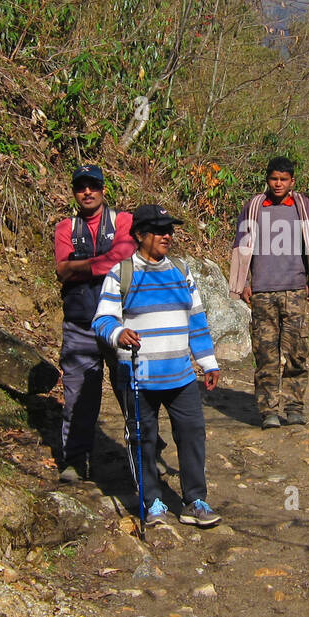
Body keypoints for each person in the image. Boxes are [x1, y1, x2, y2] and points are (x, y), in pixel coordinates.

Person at [93, 205, 222, 527]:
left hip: (180, 374)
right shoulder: (122, 273)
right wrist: (119, 332)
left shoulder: (181, 270)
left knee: (192, 434)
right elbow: (102, 319)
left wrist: (207, 362)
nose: (168, 236)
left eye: (170, 230)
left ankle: (195, 500)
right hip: (139, 375)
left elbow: (197, 319)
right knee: (142, 438)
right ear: (140, 235)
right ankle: (152, 503)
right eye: (159, 230)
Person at [228, 156, 309, 429]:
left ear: (292, 181)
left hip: (294, 290)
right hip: (262, 292)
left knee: (297, 352)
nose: (278, 184)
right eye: (274, 179)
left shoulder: (303, 207)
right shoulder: (254, 207)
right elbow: (241, 247)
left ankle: (295, 408)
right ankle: (268, 410)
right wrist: (243, 283)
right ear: (267, 180)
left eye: (284, 179)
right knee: (265, 354)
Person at [53, 164, 136, 483]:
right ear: (74, 192)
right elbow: (62, 270)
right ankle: (75, 461)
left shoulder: (124, 221)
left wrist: (82, 266)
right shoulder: (65, 227)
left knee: (132, 392)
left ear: (103, 190)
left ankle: (145, 455)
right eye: (80, 187)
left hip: (120, 322)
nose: (87, 192)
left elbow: (125, 256)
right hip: (79, 325)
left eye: (93, 186)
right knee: (77, 395)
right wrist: (104, 262)